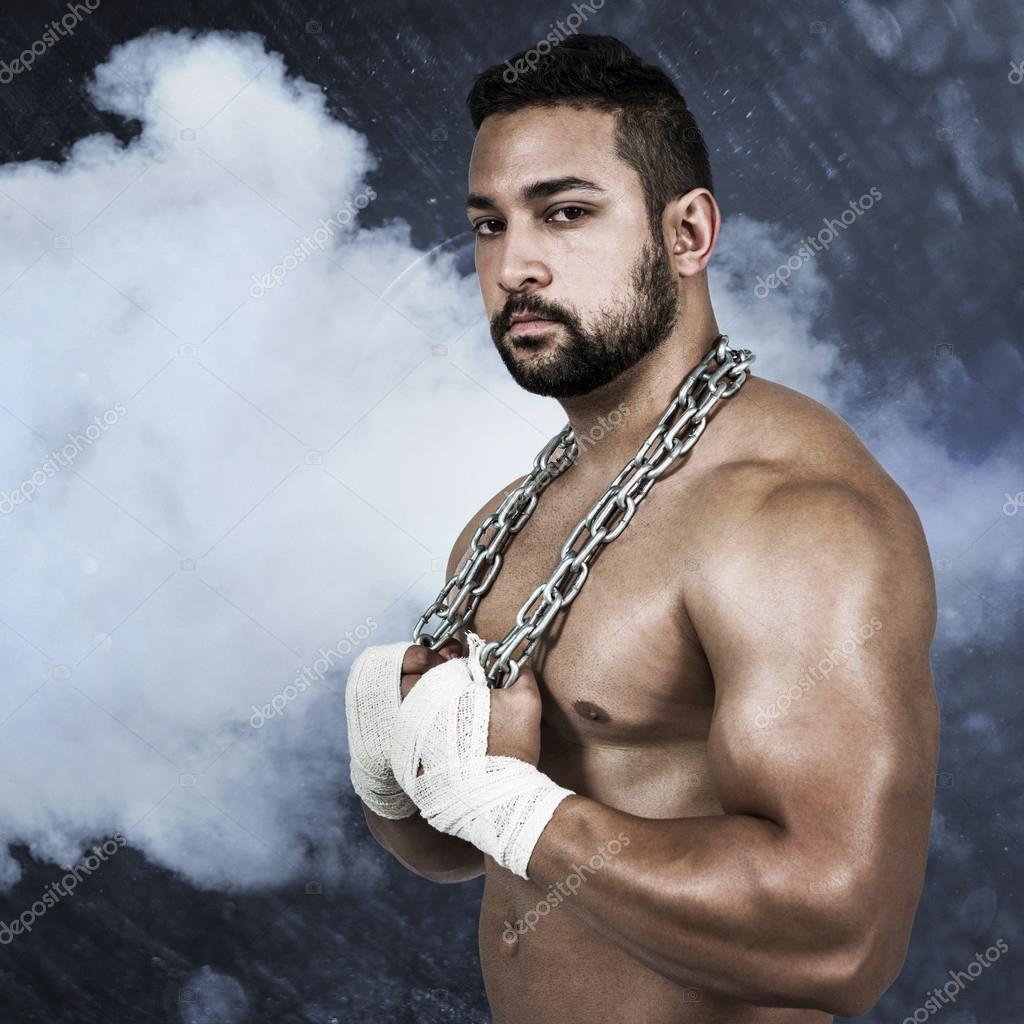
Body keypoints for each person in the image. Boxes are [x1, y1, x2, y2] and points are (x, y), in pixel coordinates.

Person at [345, 34, 939, 1023]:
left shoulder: (789, 519)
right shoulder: (506, 519)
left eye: (565, 213)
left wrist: (511, 802)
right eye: (488, 225)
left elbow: (841, 937)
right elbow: (461, 851)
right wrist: (398, 775)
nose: (515, 265)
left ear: (687, 233)